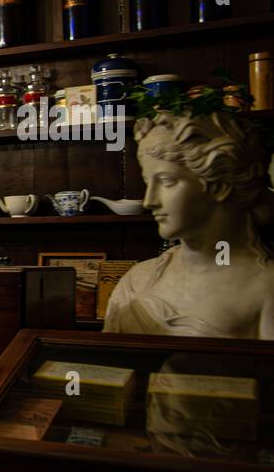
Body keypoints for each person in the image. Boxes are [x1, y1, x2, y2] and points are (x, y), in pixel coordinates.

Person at [104, 111, 274, 338]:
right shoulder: (137, 280)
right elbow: (107, 369)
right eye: (147, 182)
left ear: (220, 186)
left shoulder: (266, 288)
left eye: (167, 181)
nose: (149, 201)